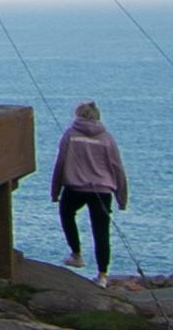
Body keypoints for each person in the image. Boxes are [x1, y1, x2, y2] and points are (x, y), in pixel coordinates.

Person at [50, 100, 128, 274]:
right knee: (101, 232)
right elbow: (117, 168)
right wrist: (121, 198)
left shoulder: (70, 135)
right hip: (102, 189)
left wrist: (55, 192)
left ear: (77, 115)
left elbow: (60, 163)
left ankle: (76, 254)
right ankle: (102, 275)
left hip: (74, 188)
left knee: (67, 214)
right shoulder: (107, 138)